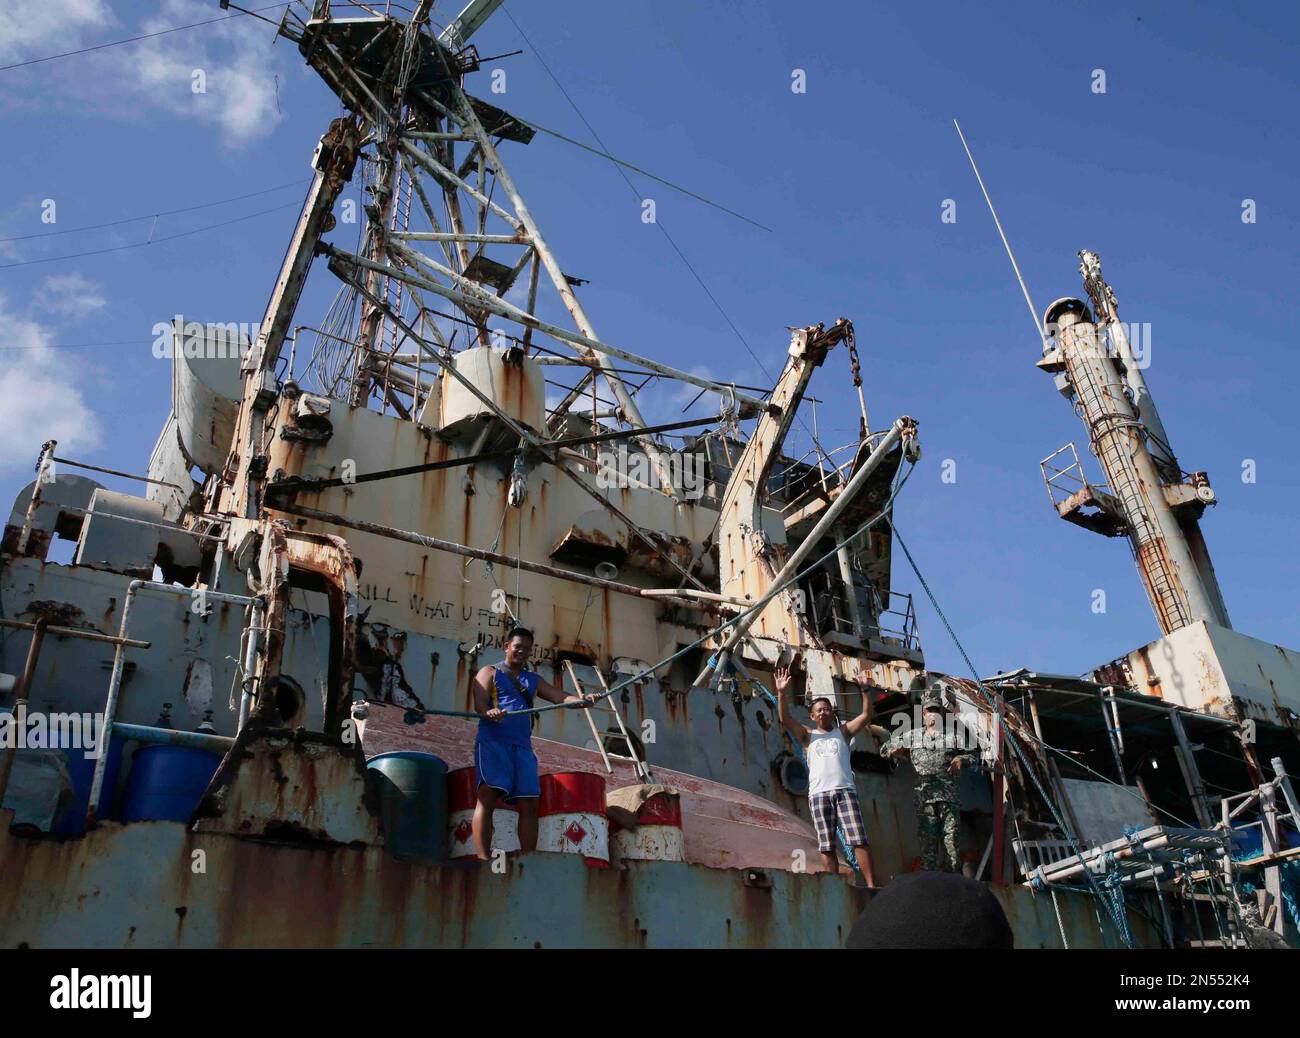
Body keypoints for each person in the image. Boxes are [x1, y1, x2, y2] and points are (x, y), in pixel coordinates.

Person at [471, 626, 593, 860]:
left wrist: (583, 700)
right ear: (506, 646)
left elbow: (559, 697)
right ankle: (483, 860)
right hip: (493, 741)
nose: (522, 652)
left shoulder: (533, 679)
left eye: (526, 649)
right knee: (487, 795)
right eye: (517, 647)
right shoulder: (489, 672)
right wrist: (490, 711)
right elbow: (480, 703)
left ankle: (528, 860)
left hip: (523, 747)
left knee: (529, 801)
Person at [774, 662, 878, 887]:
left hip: (845, 791)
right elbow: (785, 719)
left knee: (858, 839)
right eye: (818, 710)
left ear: (832, 713)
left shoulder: (843, 732)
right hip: (819, 795)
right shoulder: (806, 736)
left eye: (826, 708)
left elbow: (867, 715)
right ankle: (834, 885)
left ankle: (871, 884)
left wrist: (865, 690)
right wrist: (781, 692)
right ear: (812, 716)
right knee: (827, 844)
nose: (822, 711)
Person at [884, 684, 978, 873]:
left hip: (948, 797)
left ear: (941, 713)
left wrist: (961, 758)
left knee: (951, 841)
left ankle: (955, 880)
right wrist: (895, 751)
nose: (932, 714)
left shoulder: (953, 736)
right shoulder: (912, 736)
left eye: (936, 710)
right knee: (928, 844)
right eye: (928, 710)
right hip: (925, 797)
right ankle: (931, 882)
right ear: (923, 713)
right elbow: (885, 749)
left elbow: (974, 754)